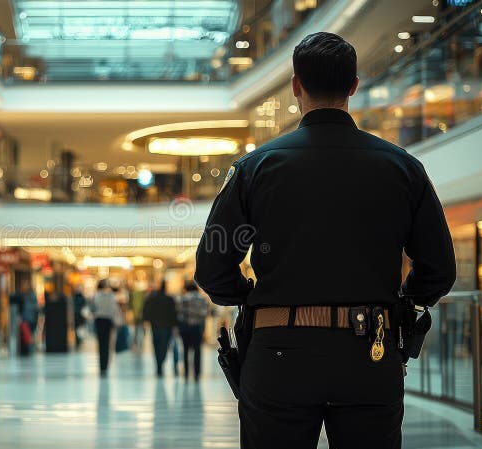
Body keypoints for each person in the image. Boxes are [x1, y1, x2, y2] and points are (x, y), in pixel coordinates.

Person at [194, 32, 456, 449]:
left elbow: (212, 269)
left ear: (296, 85)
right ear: (354, 86)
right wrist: (402, 303)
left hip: (278, 353)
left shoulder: (254, 168)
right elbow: (439, 269)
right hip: (370, 351)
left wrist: (252, 297)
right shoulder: (403, 167)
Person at [142, 280, 177, 377]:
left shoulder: (152, 298)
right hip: (166, 327)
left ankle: (159, 365)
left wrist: (147, 320)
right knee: (164, 346)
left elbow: (146, 310)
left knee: (156, 346)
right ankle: (160, 363)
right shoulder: (169, 299)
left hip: (155, 326)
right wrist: (175, 325)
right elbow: (174, 313)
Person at [177, 282, 209, 381]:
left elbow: (179, 314)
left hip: (185, 328)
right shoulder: (202, 299)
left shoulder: (183, 299)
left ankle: (186, 373)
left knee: (185, 350)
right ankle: (197, 373)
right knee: (197, 350)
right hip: (197, 328)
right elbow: (204, 314)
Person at [93, 279, 121, 377]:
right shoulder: (111, 296)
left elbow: (93, 309)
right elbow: (114, 309)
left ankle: (102, 366)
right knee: (107, 344)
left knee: (101, 344)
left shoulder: (96, 296)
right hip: (108, 321)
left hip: (99, 321)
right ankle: (105, 366)